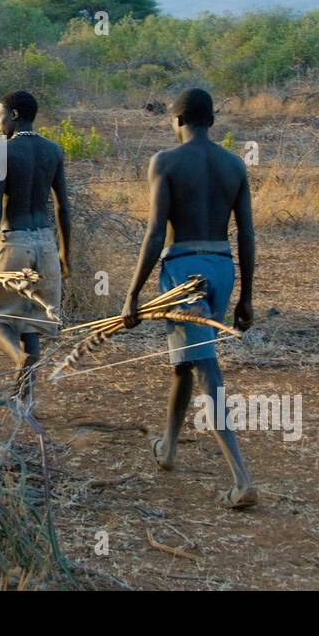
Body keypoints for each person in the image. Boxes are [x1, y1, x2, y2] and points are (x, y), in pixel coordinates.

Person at [120, 87, 258, 508]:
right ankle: (168, 448)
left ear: (176, 121)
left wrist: (131, 295)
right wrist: (246, 297)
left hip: (184, 272)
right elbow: (247, 234)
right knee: (186, 361)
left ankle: (241, 478)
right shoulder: (234, 164)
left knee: (205, 368)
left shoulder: (164, 161)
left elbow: (156, 232)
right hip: (221, 266)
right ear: (211, 121)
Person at [0, 90, 71, 409]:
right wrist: (66, 253)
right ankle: (24, 400)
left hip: (14, 242)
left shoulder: (2, 151)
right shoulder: (53, 151)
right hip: (45, 245)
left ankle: (17, 358)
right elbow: (63, 207)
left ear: (14, 114)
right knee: (32, 326)